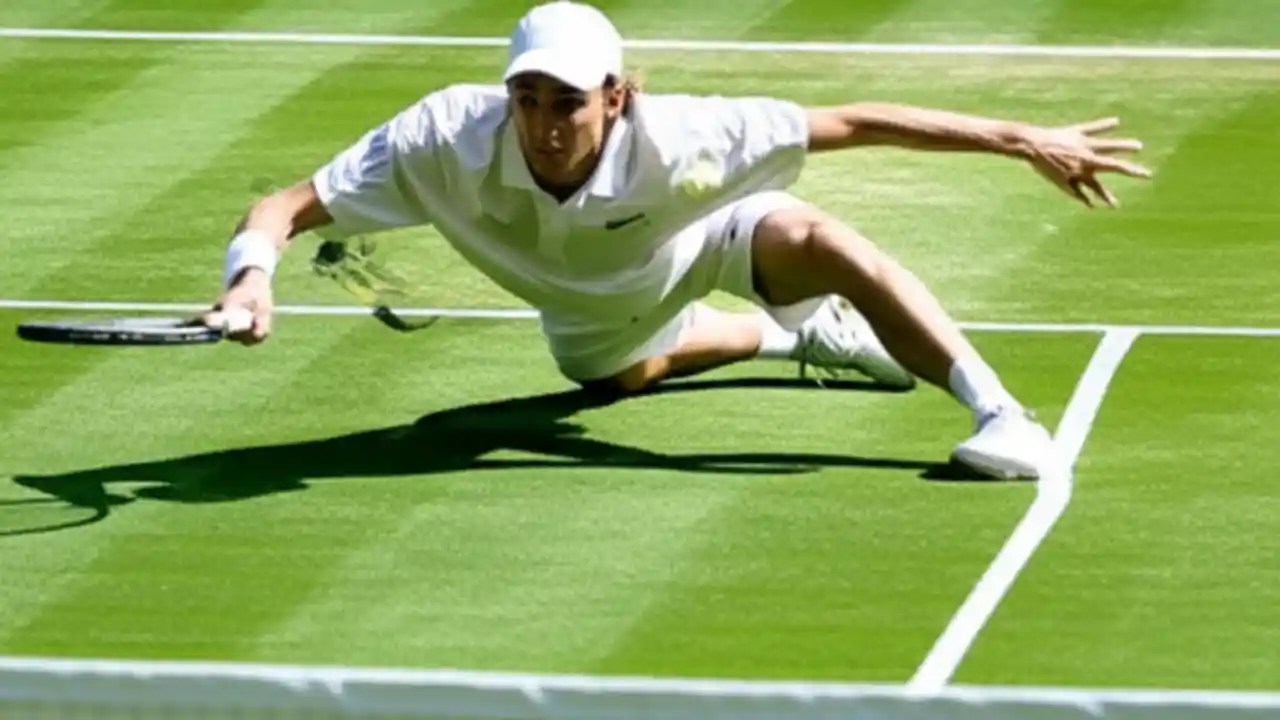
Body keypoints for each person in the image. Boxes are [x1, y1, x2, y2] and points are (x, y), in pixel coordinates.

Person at [204, 1, 1150, 480]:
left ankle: (1001, 415)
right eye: (527, 100)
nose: (544, 122)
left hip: (704, 237)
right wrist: (252, 280)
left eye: (568, 102)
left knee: (826, 244)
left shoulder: (690, 139)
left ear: (617, 96)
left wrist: (1022, 136)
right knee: (614, 380)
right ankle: (792, 337)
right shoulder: (439, 140)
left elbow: (856, 122)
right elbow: (285, 207)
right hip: (587, 310)